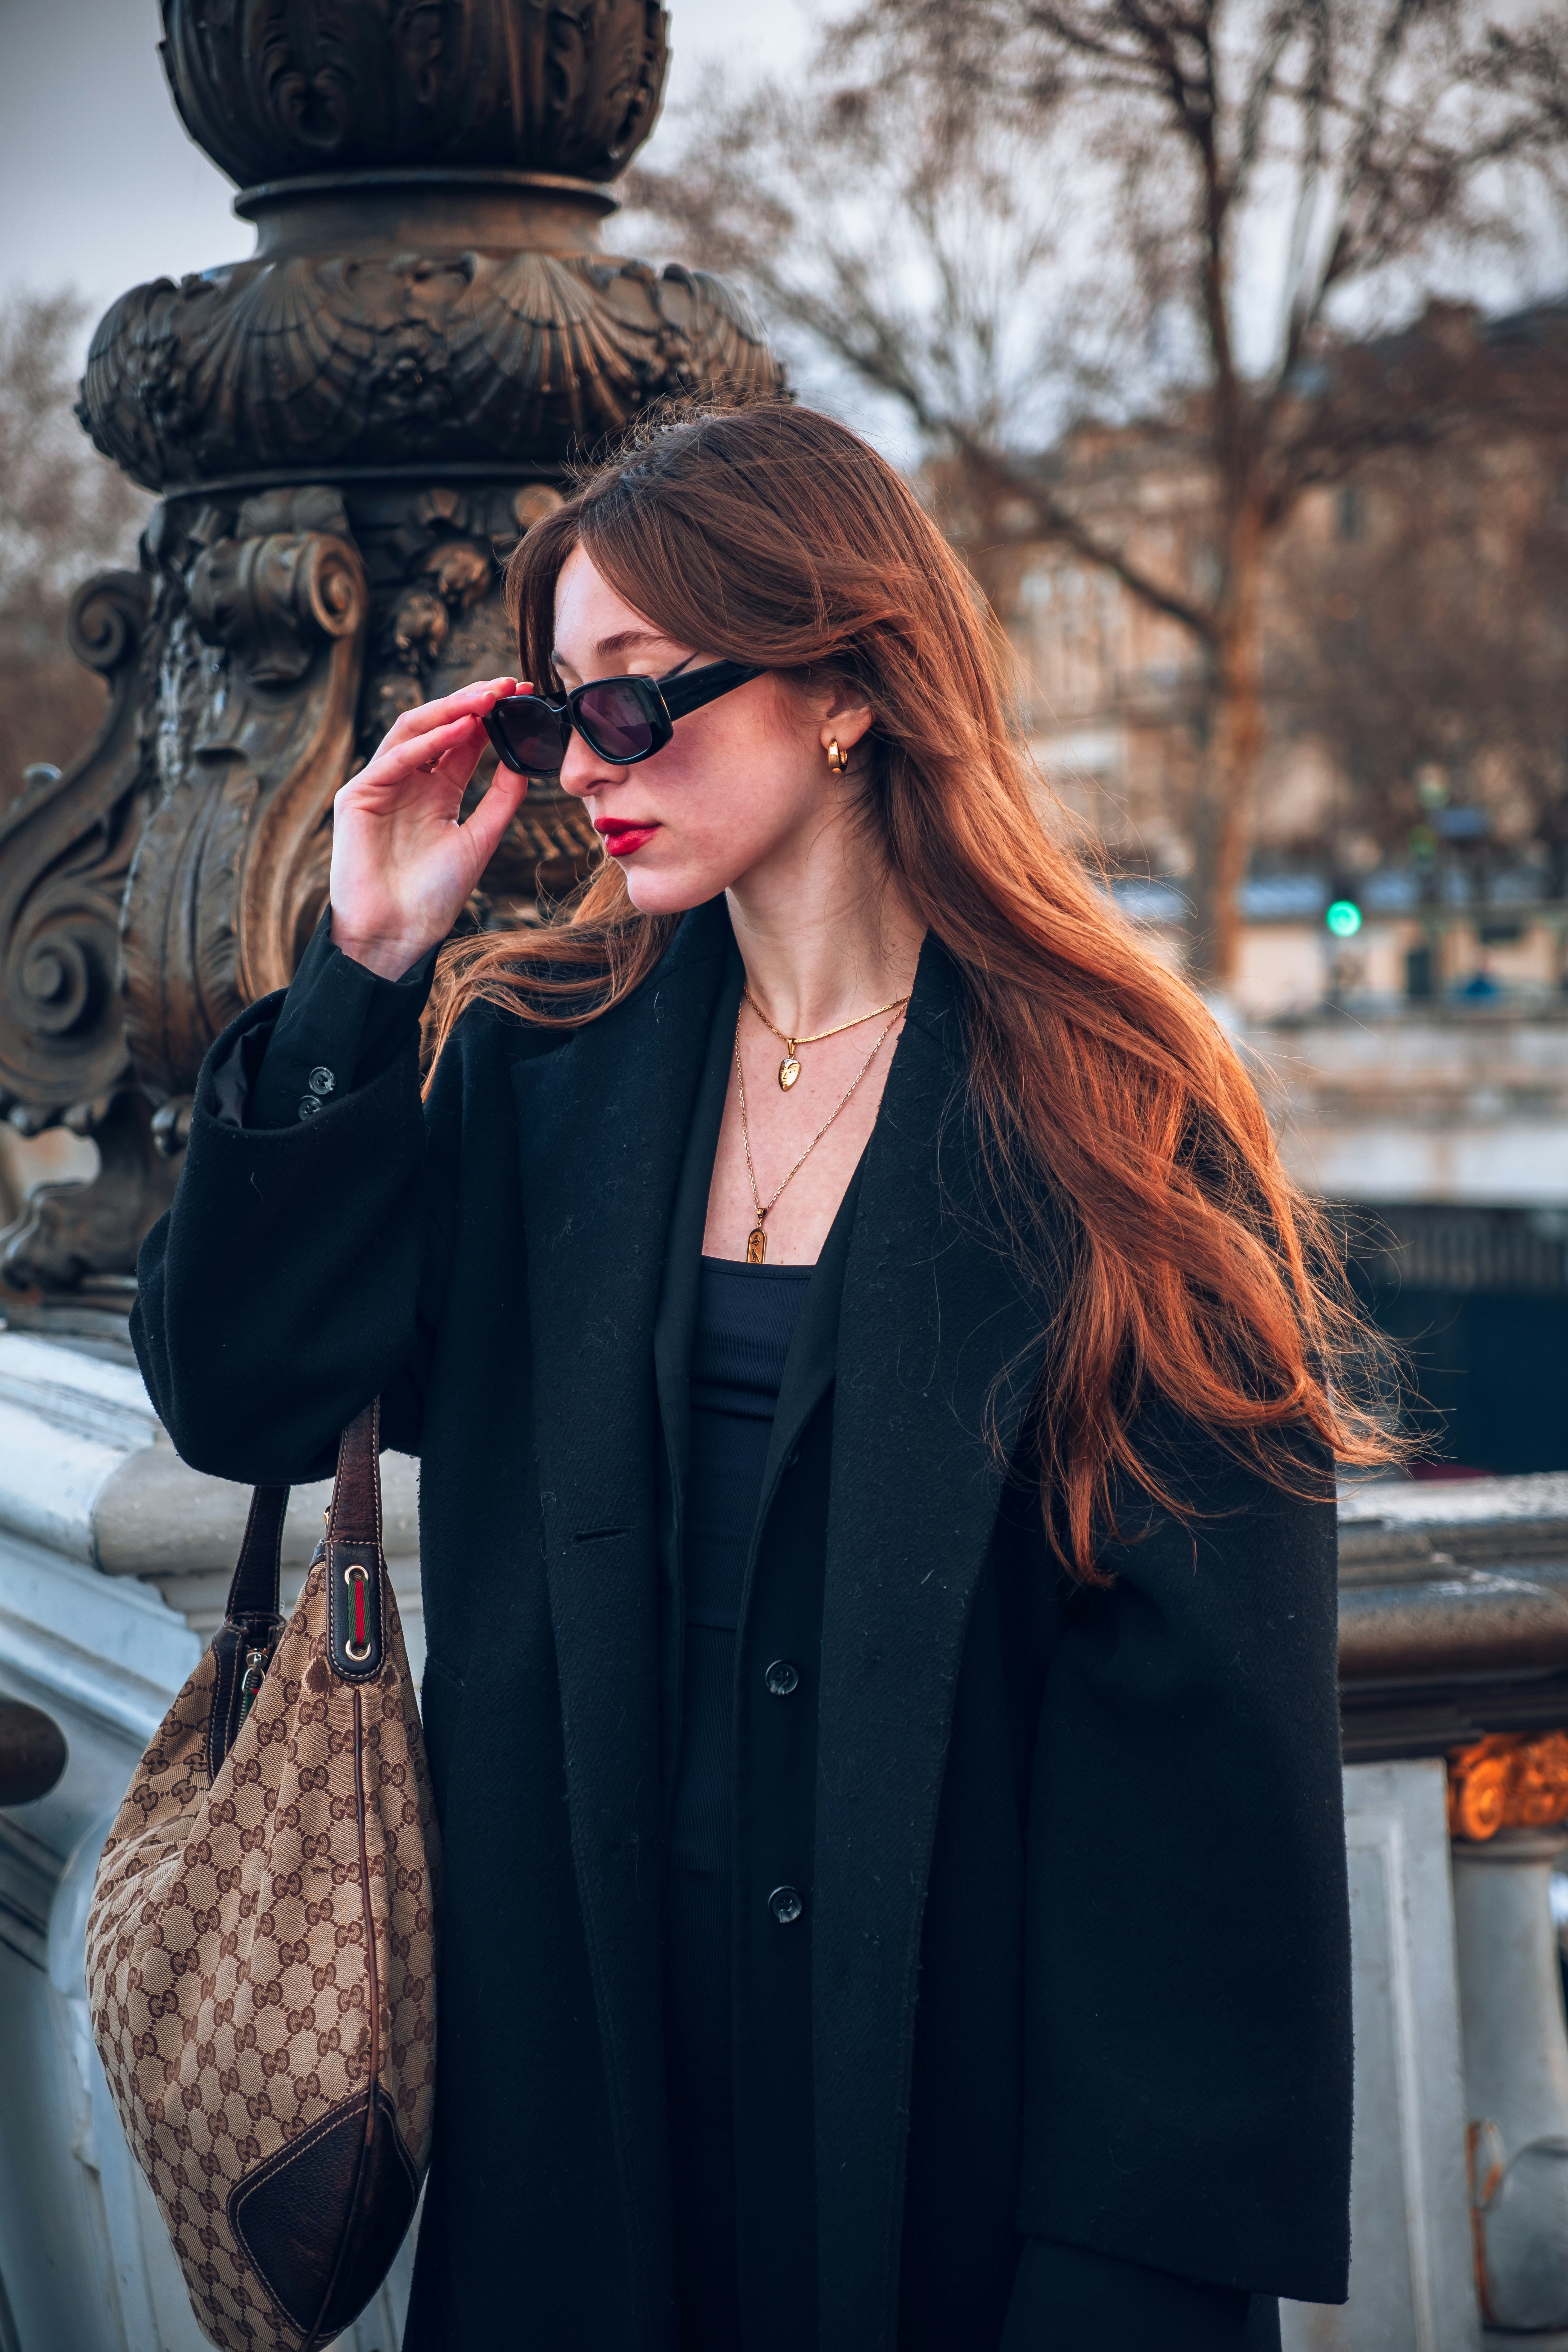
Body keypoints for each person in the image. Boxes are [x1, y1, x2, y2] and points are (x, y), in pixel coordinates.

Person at [133, 402, 1390, 2352]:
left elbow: (1208, 1792)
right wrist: (358, 973)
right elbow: (244, 1397)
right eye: (558, 712)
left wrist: (1121, 2288)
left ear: (847, 690)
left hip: (956, 2185)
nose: (585, 769)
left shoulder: (1113, 1125)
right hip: (582, 2164)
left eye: (637, 699)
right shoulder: (537, 1071)